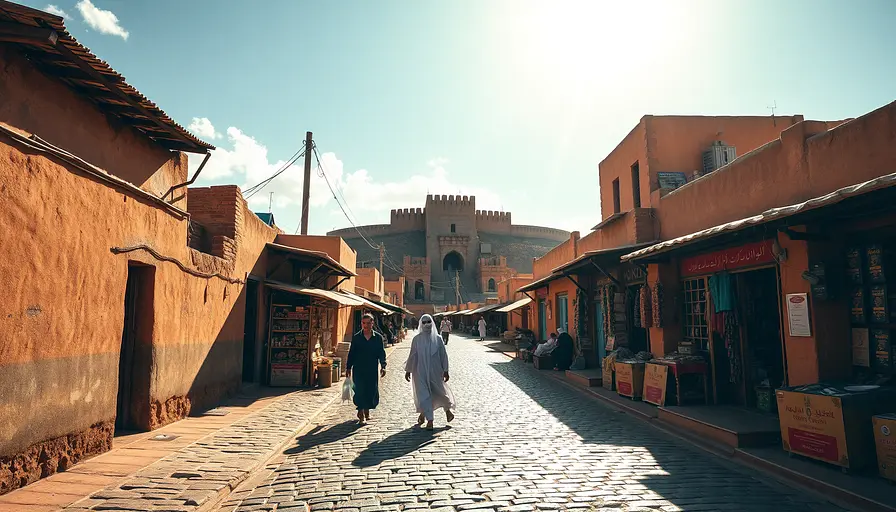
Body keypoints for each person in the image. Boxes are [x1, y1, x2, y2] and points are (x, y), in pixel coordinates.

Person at [405, 314, 455, 430]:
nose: (427, 324)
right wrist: (408, 370)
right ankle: (430, 420)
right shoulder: (416, 340)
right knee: (424, 394)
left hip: (435, 371)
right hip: (420, 371)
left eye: (429, 322)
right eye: (424, 322)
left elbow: (443, 356)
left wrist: (446, 370)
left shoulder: (437, 339)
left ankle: (446, 410)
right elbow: (412, 355)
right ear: (421, 324)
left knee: (439, 392)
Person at [346, 313, 387, 425]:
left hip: (372, 368)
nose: (366, 325)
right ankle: (360, 413)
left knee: (370, 390)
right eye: (364, 323)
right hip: (358, 368)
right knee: (359, 390)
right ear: (361, 324)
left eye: (368, 323)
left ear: (372, 323)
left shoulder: (378, 338)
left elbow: (381, 353)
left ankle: (366, 409)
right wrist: (348, 367)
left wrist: (383, 366)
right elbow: (352, 353)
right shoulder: (357, 337)